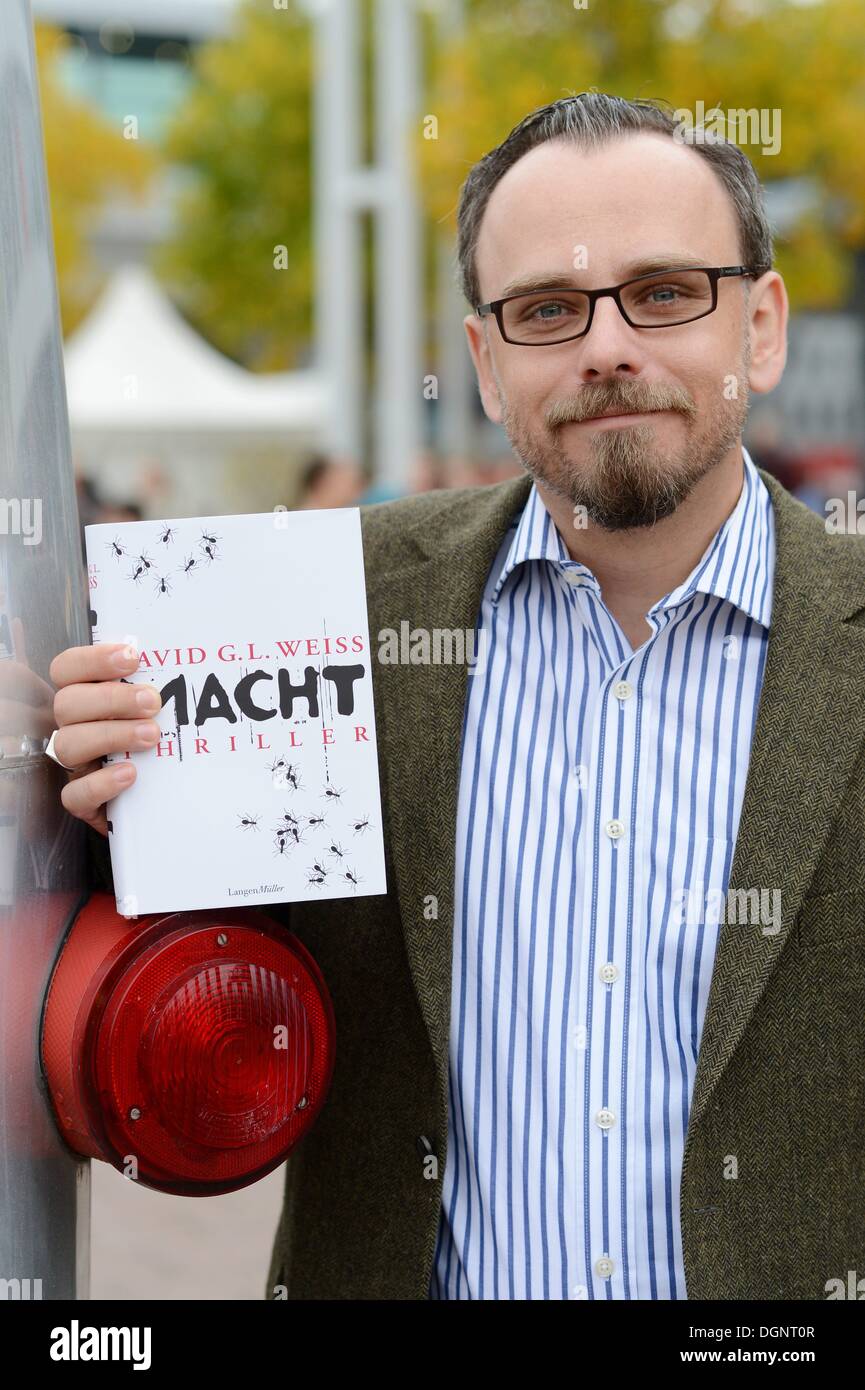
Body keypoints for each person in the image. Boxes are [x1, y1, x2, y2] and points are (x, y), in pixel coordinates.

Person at [47, 93, 865, 1301]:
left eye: (664, 292)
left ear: (760, 325)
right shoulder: (319, 606)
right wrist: (95, 796)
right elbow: (194, 953)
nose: (606, 348)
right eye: (546, 310)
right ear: (484, 362)